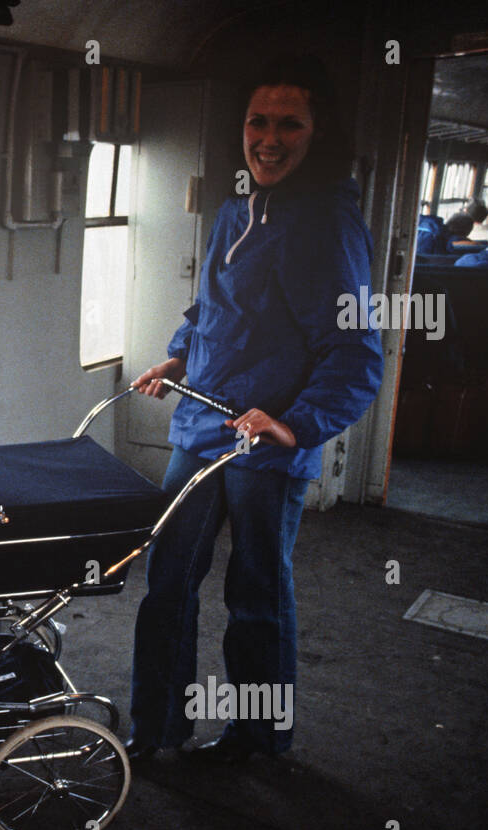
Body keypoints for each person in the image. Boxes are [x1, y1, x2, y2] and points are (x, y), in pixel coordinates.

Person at [127, 54, 384, 764]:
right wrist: (180, 352)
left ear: (318, 132)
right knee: (168, 578)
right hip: (200, 425)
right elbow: (209, 306)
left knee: (256, 593)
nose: (268, 139)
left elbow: (357, 353)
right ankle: (155, 727)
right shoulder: (237, 209)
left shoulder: (328, 224)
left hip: (263, 444)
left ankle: (258, 737)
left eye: (288, 125)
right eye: (257, 122)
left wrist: (293, 424)